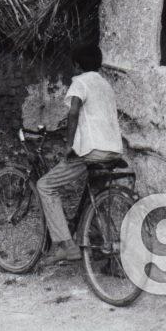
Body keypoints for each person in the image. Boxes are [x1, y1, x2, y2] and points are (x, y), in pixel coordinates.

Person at [36, 44, 124, 262]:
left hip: (92, 151)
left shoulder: (80, 82)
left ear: (76, 65)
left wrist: (69, 144)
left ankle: (65, 245)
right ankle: (102, 248)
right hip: (113, 151)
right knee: (92, 195)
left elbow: (74, 111)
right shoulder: (105, 85)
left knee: (45, 186)